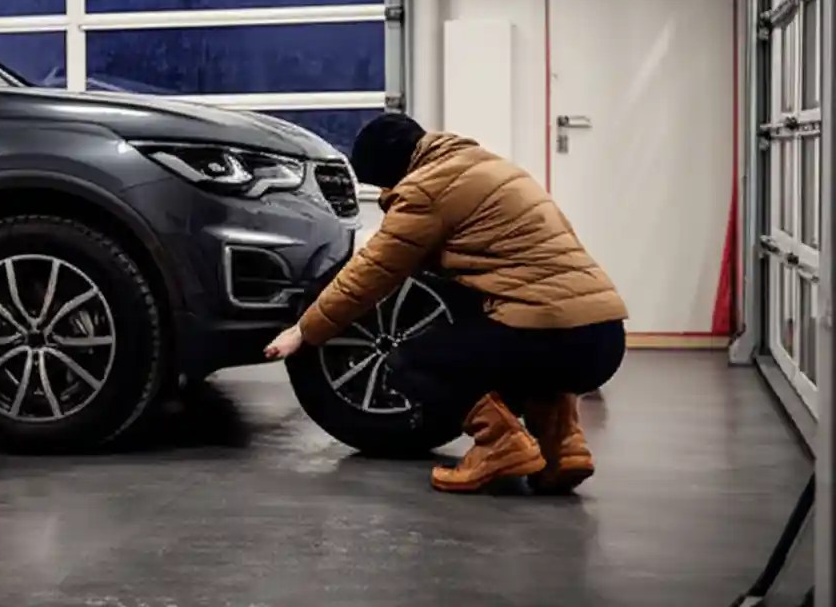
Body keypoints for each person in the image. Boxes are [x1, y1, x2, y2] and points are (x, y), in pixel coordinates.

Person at [265, 114, 628, 494]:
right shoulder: (487, 166)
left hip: (548, 335)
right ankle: (563, 447)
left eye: (384, 181)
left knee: (412, 361)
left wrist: (305, 329)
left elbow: (373, 272)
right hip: (604, 338)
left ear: (393, 167)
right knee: (519, 339)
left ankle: (500, 447)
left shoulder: (427, 188)